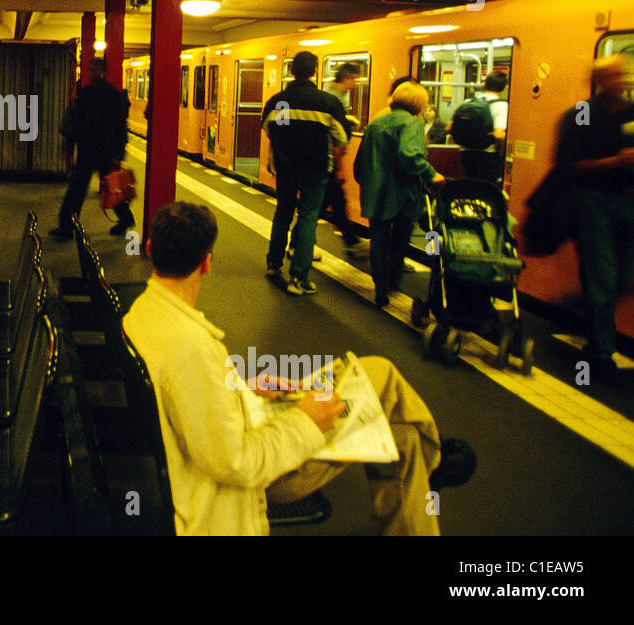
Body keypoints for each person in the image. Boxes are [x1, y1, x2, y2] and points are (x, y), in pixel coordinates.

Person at [121, 202, 473, 536]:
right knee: (378, 373)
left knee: (404, 440)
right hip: (262, 475)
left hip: (240, 437)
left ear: (151, 248)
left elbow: (195, 400)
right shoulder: (192, 347)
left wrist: (242, 387)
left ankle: (428, 458)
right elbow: (237, 463)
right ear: (207, 263)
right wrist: (306, 420)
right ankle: (436, 456)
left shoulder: (143, 313)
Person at [555, 53, 634, 384]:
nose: (622, 81)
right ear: (601, 80)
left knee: (625, 277)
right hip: (594, 203)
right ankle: (600, 353)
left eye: (624, 75)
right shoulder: (583, 114)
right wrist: (616, 162)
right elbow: (570, 164)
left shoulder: (632, 111)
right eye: (614, 76)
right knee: (602, 276)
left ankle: (588, 302)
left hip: (629, 201)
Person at [261, 51, 350, 295]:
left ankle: (273, 263)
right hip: (316, 169)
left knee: (283, 213)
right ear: (315, 72)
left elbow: (269, 129)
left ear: (291, 71)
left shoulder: (278, 101)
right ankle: (299, 278)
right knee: (309, 217)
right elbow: (341, 138)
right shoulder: (328, 103)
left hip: (286, 167)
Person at [355, 82, 445, 308]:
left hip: (376, 191)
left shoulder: (375, 123)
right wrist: (431, 175)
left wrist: (367, 182)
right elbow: (409, 155)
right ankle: (393, 278)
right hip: (403, 194)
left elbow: (360, 162)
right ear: (418, 103)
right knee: (401, 237)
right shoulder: (412, 124)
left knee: (378, 240)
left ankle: (380, 288)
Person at [51, 58, 134, 238]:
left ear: (103, 71)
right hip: (97, 150)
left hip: (95, 150)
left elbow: (117, 126)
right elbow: (78, 121)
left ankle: (66, 227)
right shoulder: (106, 94)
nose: (92, 73)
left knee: (79, 190)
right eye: (90, 69)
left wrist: (118, 153)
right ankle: (125, 218)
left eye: (95, 69)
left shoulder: (99, 94)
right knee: (97, 188)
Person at [320, 62, 367, 261]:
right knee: (325, 204)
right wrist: (339, 167)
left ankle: (351, 241)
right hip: (330, 160)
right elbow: (334, 134)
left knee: (332, 203)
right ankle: (297, 243)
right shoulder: (335, 98)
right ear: (346, 78)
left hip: (325, 159)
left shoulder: (328, 94)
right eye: (354, 80)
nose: (354, 84)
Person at [452, 70, 509, 183]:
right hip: (488, 155)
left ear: (485, 84)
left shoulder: (468, 101)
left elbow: (450, 127)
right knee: (487, 189)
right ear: (504, 88)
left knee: (471, 185)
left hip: (465, 153)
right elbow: (498, 134)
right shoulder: (502, 105)